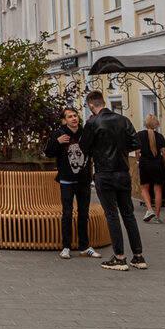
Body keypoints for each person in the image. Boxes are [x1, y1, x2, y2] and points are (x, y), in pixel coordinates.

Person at [80, 91, 146, 271]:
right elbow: (136, 143)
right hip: (123, 172)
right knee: (128, 214)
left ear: (91, 106)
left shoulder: (93, 123)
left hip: (105, 173)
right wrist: (120, 150)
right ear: (103, 102)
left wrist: (99, 148)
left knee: (111, 214)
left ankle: (119, 257)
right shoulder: (123, 120)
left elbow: (83, 147)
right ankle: (138, 256)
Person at [44, 106, 100, 260]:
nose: (74, 118)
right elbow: (48, 152)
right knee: (67, 214)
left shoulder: (84, 133)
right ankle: (66, 247)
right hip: (67, 180)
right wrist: (57, 142)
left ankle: (84, 246)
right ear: (64, 120)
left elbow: (94, 150)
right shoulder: (60, 134)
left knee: (84, 214)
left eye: (75, 116)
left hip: (83, 180)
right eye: (70, 116)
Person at [135, 114, 165, 224]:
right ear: (156, 124)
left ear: (145, 123)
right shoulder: (160, 136)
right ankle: (157, 216)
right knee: (158, 189)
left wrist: (138, 160)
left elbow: (137, 151)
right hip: (158, 164)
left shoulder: (140, 135)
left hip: (145, 163)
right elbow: (164, 153)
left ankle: (149, 209)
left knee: (145, 188)